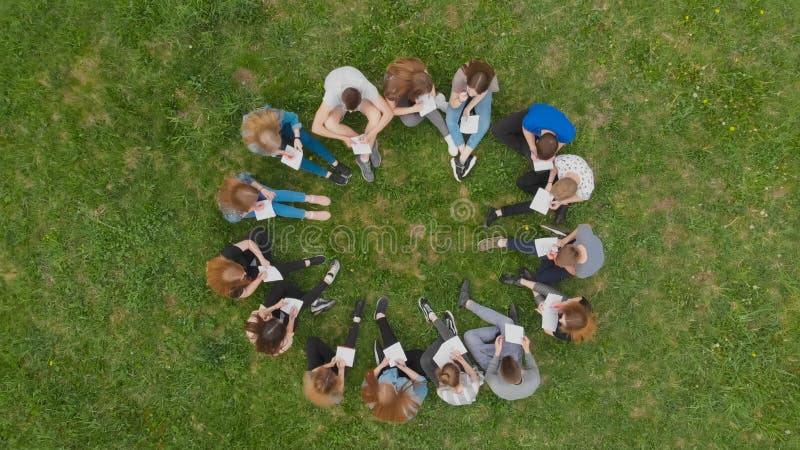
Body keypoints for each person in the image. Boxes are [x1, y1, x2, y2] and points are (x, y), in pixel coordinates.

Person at [457, 280, 540, 401]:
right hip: (513, 356)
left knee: (469, 336)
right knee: (507, 323)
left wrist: (497, 352)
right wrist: (526, 350)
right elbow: (532, 365)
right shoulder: (534, 380)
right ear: (521, 370)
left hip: (492, 363)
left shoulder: (494, 382)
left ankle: (509, 329)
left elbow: (491, 368)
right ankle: (467, 303)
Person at [312, 66, 394, 182]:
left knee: (375, 114)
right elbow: (316, 127)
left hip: (355, 91)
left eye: (354, 109)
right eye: (349, 110)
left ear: (361, 97)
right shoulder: (332, 96)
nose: (351, 112)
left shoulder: (366, 88)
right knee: (330, 123)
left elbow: (388, 113)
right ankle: (368, 146)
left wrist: (371, 135)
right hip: (338, 94)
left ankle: (364, 157)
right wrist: (343, 138)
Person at [244, 259, 341, 356]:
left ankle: (314, 302)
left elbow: (262, 312)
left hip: (268, 312)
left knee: (281, 286)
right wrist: (291, 318)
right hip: (288, 324)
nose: (280, 320)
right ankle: (326, 282)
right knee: (297, 307)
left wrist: (275, 307)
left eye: (276, 320)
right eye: (280, 323)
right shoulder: (282, 344)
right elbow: (289, 332)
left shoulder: (253, 324)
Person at [205, 226, 329, 299]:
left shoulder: (227, 255)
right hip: (254, 273)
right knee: (276, 270)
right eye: (241, 276)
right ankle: (306, 262)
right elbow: (246, 292)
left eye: (240, 270)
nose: (244, 273)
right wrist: (259, 278)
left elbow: (248, 243)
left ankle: (266, 263)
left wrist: (262, 259)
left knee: (260, 232)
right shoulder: (231, 290)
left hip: (247, 254)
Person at [241, 104, 351, 185]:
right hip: (271, 136)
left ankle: (334, 162)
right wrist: (278, 152)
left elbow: (293, 118)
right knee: (295, 159)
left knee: (306, 139)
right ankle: (327, 174)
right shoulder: (254, 146)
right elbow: (267, 153)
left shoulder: (275, 115)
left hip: (282, 126)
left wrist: (297, 137)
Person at [361, 296, 428, 423]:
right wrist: (404, 368)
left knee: (393, 351)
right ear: (397, 391)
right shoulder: (412, 403)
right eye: (389, 384)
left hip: (388, 369)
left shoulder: (371, 399)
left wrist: (381, 366)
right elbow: (421, 382)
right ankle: (380, 319)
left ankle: (379, 317)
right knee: (421, 357)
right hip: (408, 377)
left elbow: (368, 380)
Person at [491, 103, 576, 201]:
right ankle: (525, 146)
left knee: (540, 169)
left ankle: (524, 146)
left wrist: (550, 156)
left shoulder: (569, 133)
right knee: (497, 130)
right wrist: (532, 148)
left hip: (545, 127)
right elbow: (526, 129)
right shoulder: (530, 122)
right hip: (535, 115)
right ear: (537, 141)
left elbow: (559, 144)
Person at [485, 153, 595, 226]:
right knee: (522, 183)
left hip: (565, 187)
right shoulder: (564, 163)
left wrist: (562, 201)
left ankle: (497, 212)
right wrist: (549, 184)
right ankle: (560, 208)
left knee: (540, 203)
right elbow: (554, 169)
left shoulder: (587, 187)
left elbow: (582, 198)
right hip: (556, 174)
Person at [477, 223, 605, 284]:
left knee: (540, 279)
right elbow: (584, 226)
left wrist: (559, 262)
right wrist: (564, 241)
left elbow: (572, 272)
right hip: (569, 246)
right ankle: (502, 242)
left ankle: (546, 256)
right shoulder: (585, 236)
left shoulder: (582, 271)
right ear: (571, 246)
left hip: (570, 262)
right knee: (534, 247)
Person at [382, 57, 456, 155]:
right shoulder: (392, 89)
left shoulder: (416, 68)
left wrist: (432, 91)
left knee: (428, 105)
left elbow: (425, 75)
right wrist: (413, 109)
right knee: (410, 121)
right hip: (400, 97)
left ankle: (448, 136)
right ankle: (436, 103)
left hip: (413, 88)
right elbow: (391, 110)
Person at [500, 270, 597, 342]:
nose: (560, 320)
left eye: (563, 323)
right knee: (552, 294)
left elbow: (548, 330)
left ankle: (530, 281)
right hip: (566, 304)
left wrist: (544, 314)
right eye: (563, 317)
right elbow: (576, 299)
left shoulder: (566, 335)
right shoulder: (584, 306)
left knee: (541, 303)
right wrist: (564, 304)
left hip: (552, 320)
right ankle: (522, 281)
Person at [417, 298, 482, 406]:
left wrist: (442, 383)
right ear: (459, 372)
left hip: (447, 382)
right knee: (453, 344)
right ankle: (446, 330)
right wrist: (462, 360)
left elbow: (438, 391)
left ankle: (440, 325)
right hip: (466, 374)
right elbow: (471, 373)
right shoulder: (474, 386)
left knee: (424, 361)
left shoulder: (444, 393)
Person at [303, 300, 366, 407]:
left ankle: (328, 358)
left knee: (312, 342)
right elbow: (340, 384)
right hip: (338, 372)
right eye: (330, 374)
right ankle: (356, 319)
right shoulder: (336, 394)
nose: (329, 372)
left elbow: (313, 371)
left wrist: (328, 365)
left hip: (321, 369)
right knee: (347, 353)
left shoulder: (311, 379)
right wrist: (340, 369)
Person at [445, 60, 498, 181]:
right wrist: (460, 100)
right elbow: (453, 104)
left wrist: (469, 107)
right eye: (470, 90)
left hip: (481, 93)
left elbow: (482, 93)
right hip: (460, 94)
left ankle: (462, 159)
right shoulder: (460, 77)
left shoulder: (491, 80)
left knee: (484, 125)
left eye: (474, 93)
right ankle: (465, 159)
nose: (471, 94)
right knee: (450, 120)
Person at [216, 173, 331, 222]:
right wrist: (255, 207)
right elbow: (244, 212)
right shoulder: (234, 214)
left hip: (250, 195)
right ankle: (307, 214)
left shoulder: (239, 181)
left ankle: (309, 198)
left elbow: (248, 179)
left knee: (274, 194)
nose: (256, 201)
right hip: (247, 207)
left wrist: (261, 189)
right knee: (274, 208)